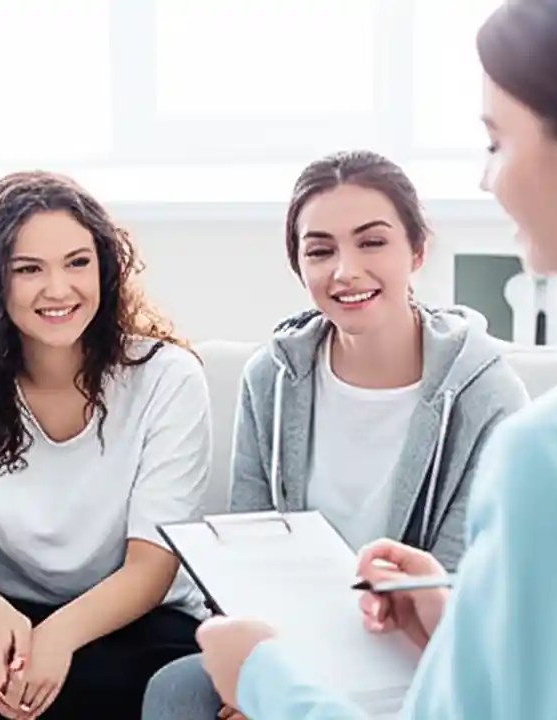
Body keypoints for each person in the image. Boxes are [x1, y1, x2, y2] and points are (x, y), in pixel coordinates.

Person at [195, 0, 557, 717]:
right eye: (320, 249)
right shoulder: (272, 377)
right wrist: (457, 613)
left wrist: (263, 677)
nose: (485, 180)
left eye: (497, 142)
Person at [142, 150, 529, 719]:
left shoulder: (486, 393)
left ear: (417, 251)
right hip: (293, 644)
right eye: (319, 250)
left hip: (421, 651)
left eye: (372, 242)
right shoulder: (271, 378)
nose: (344, 270)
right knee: (178, 690)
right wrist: (253, 678)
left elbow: (461, 584)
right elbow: (244, 554)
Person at [0, 170, 213, 719]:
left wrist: (58, 637)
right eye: (29, 269)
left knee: (97, 687)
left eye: (78, 263)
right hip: (7, 614)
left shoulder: (167, 379)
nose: (58, 289)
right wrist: (0, 624)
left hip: (137, 618)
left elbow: (151, 567)